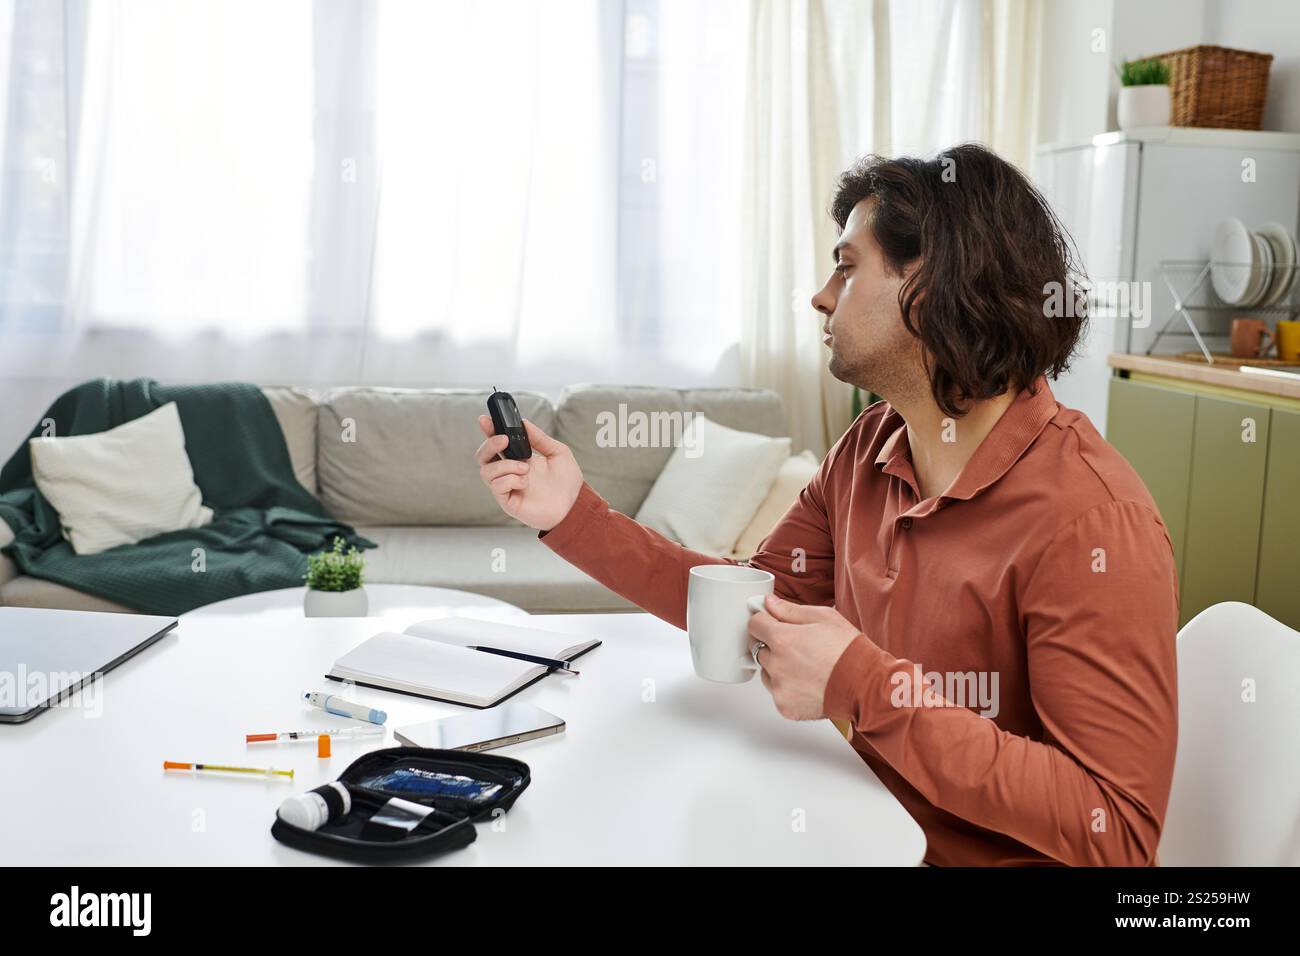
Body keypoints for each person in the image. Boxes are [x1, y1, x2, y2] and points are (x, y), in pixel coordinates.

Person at [473, 143, 1178, 866]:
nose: (820, 295)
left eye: (847, 266)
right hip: (850, 825)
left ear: (932, 285)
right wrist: (573, 515)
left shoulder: (1092, 521)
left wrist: (864, 685)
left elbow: (1115, 831)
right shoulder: (871, 445)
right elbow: (748, 604)